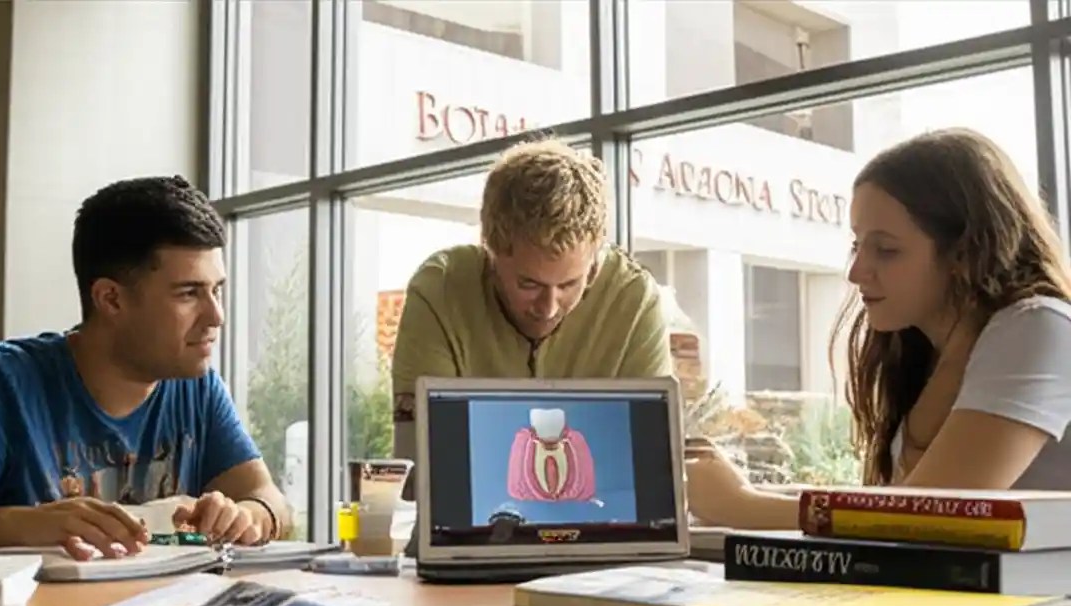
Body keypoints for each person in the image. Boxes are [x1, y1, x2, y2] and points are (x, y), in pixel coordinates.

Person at [0, 176, 292, 559]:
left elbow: (269, 498)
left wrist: (250, 515)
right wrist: (26, 525)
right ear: (111, 299)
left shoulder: (195, 386)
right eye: (188, 294)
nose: (216, 316)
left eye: (217, 289)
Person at [685, 126, 1071, 529]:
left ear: (964, 252)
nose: (855, 272)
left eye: (886, 250)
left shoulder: (1040, 327)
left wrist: (741, 506)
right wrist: (744, 492)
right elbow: (888, 505)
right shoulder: (921, 353)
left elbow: (929, 515)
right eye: (857, 245)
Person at [391, 138, 674, 497]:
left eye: (571, 284)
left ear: (595, 256)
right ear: (490, 250)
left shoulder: (633, 299)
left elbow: (649, 476)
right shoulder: (441, 290)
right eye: (528, 283)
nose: (549, 307)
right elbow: (421, 476)